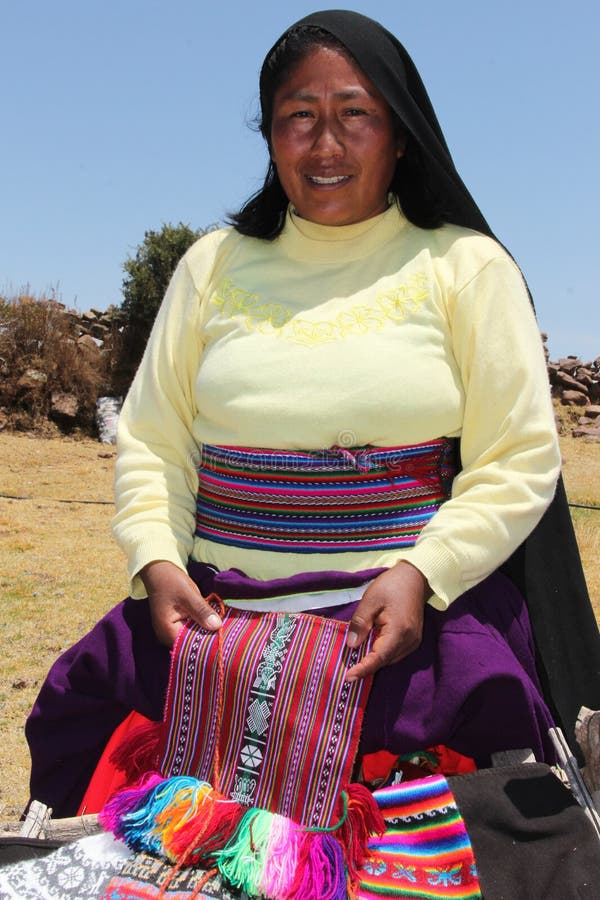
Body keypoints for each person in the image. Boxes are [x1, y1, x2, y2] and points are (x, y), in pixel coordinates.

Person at [26, 10, 600, 820]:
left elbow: (518, 459)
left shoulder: (465, 268)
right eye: (299, 115)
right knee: (102, 776)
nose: (325, 144)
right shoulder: (212, 267)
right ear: (269, 134)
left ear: (400, 133)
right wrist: (156, 560)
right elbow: (155, 441)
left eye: (354, 113)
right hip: (212, 619)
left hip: (403, 622)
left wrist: (421, 576)